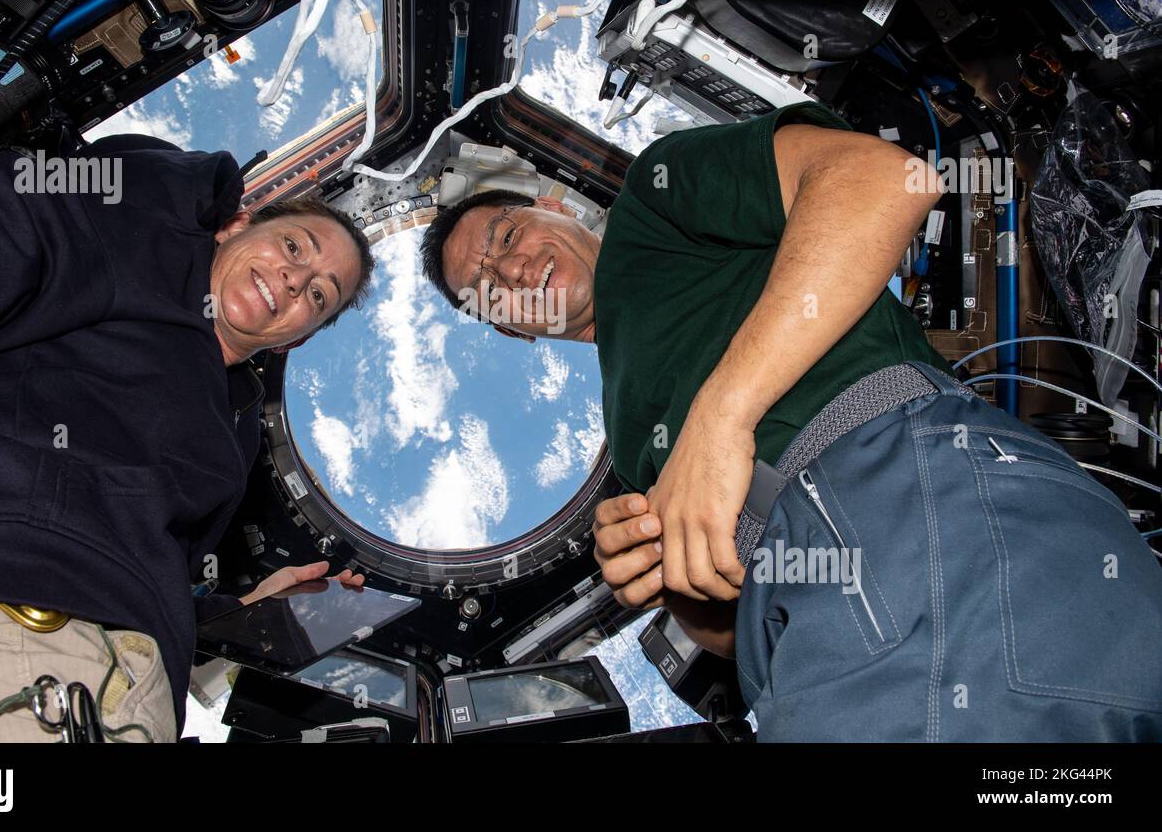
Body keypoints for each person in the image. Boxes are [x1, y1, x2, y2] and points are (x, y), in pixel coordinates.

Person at [419, 102, 1162, 740]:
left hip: (900, 495)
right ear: (512, 329)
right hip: (795, 644)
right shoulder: (624, 431)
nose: (507, 271)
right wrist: (667, 576)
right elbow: (719, 628)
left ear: (551, 206)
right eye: (484, 287)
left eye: (505, 236)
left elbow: (883, 180)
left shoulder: (656, 201)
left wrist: (722, 415)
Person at [0, 133, 373, 742]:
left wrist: (242, 611)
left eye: (319, 294)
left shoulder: (236, 439)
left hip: (140, 700)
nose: (296, 280)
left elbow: (135, 563)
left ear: (296, 338)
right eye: (295, 245)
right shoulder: (133, 234)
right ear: (233, 226)